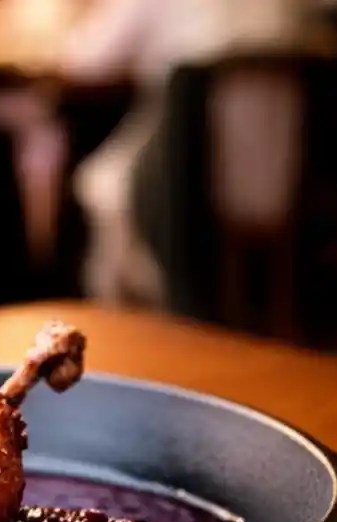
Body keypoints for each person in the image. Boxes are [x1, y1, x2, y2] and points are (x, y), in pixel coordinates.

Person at [60, 0, 312, 308]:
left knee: (100, 180)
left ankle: (137, 316)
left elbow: (87, 60)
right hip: (282, 184)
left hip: (182, 183)